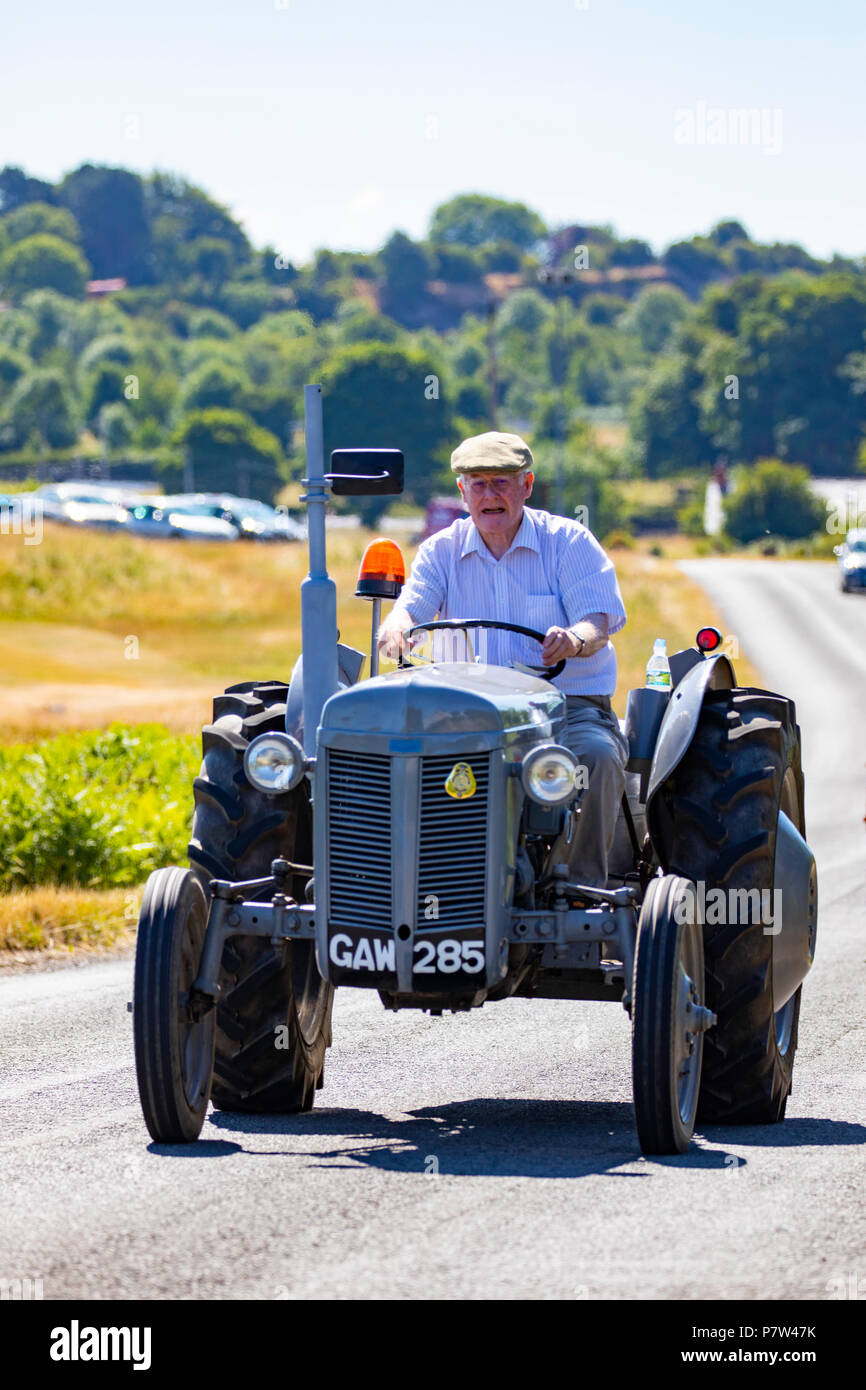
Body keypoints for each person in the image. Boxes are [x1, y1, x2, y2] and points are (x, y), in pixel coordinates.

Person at [377, 430, 629, 889]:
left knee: (594, 758)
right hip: (463, 716)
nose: (490, 495)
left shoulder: (568, 542)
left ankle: (576, 890)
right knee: (391, 758)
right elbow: (411, 604)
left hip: (562, 711)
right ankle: (421, 886)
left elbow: (599, 621)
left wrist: (573, 639)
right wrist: (395, 629)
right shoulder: (441, 550)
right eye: (478, 483)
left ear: (526, 486)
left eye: (501, 483)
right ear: (462, 491)